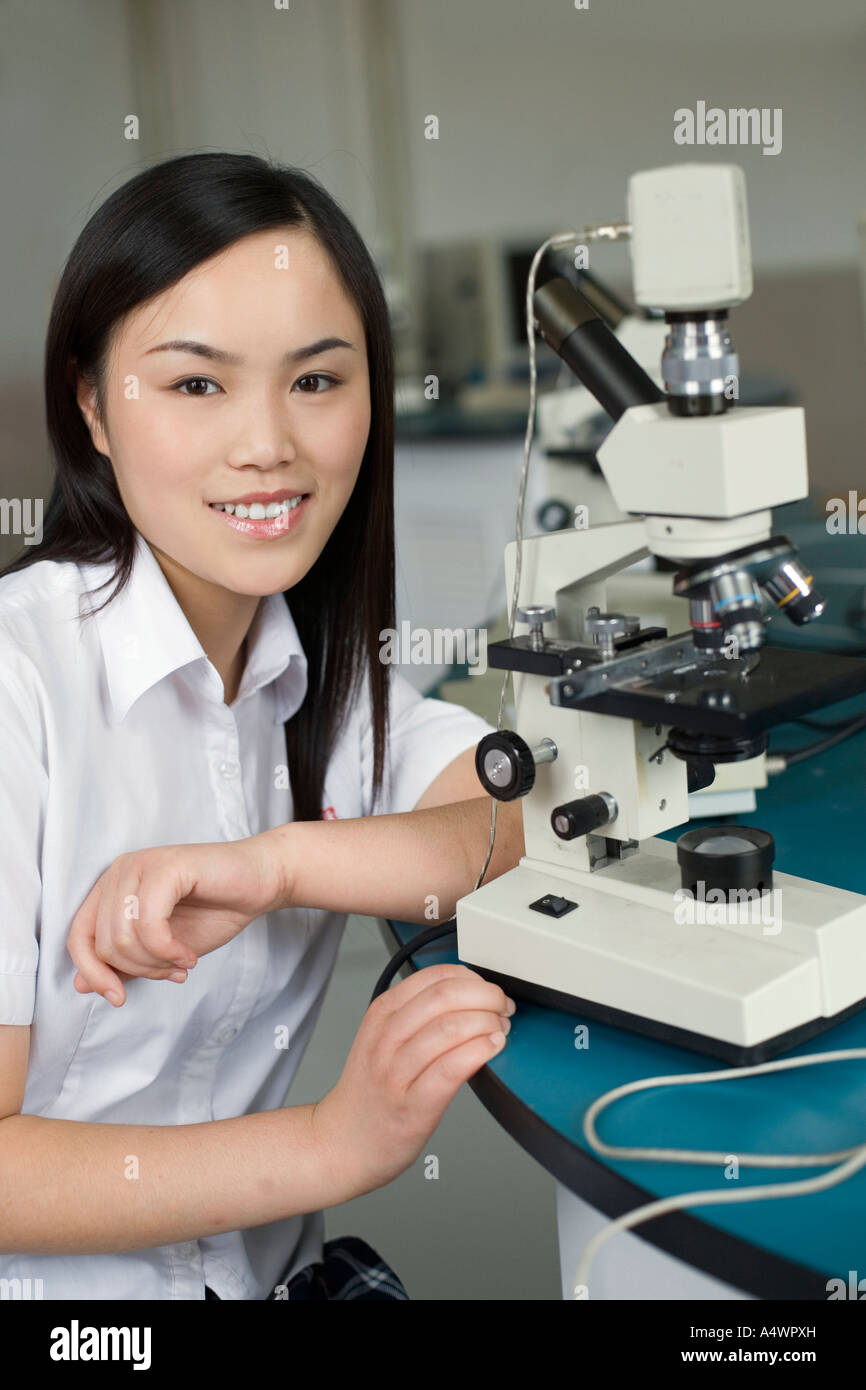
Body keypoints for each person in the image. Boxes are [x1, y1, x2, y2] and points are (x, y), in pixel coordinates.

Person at [0, 152, 523, 1301]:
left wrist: (276, 864)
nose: (267, 445)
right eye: (196, 385)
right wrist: (333, 1145)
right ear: (90, 404)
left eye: (316, 381)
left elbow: (501, 827)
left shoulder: (313, 667)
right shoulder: (18, 684)